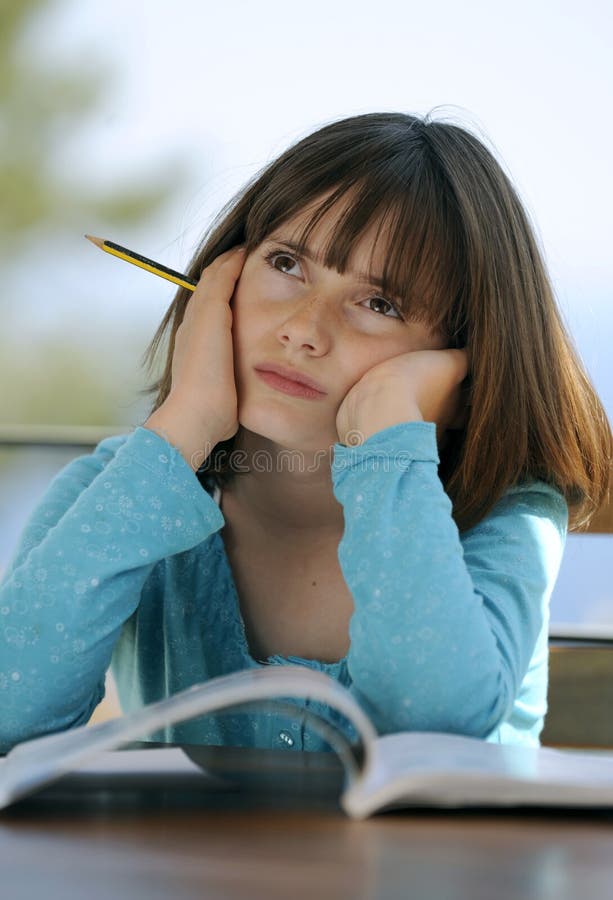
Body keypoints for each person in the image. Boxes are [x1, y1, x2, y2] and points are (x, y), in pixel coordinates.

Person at [1, 111, 610, 755]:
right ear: (221, 280)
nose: (304, 330)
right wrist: (183, 426)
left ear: (458, 364)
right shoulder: (123, 491)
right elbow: (10, 714)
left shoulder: (503, 518)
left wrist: (386, 436)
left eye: (380, 304)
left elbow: (438, 722)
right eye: (287, 263)